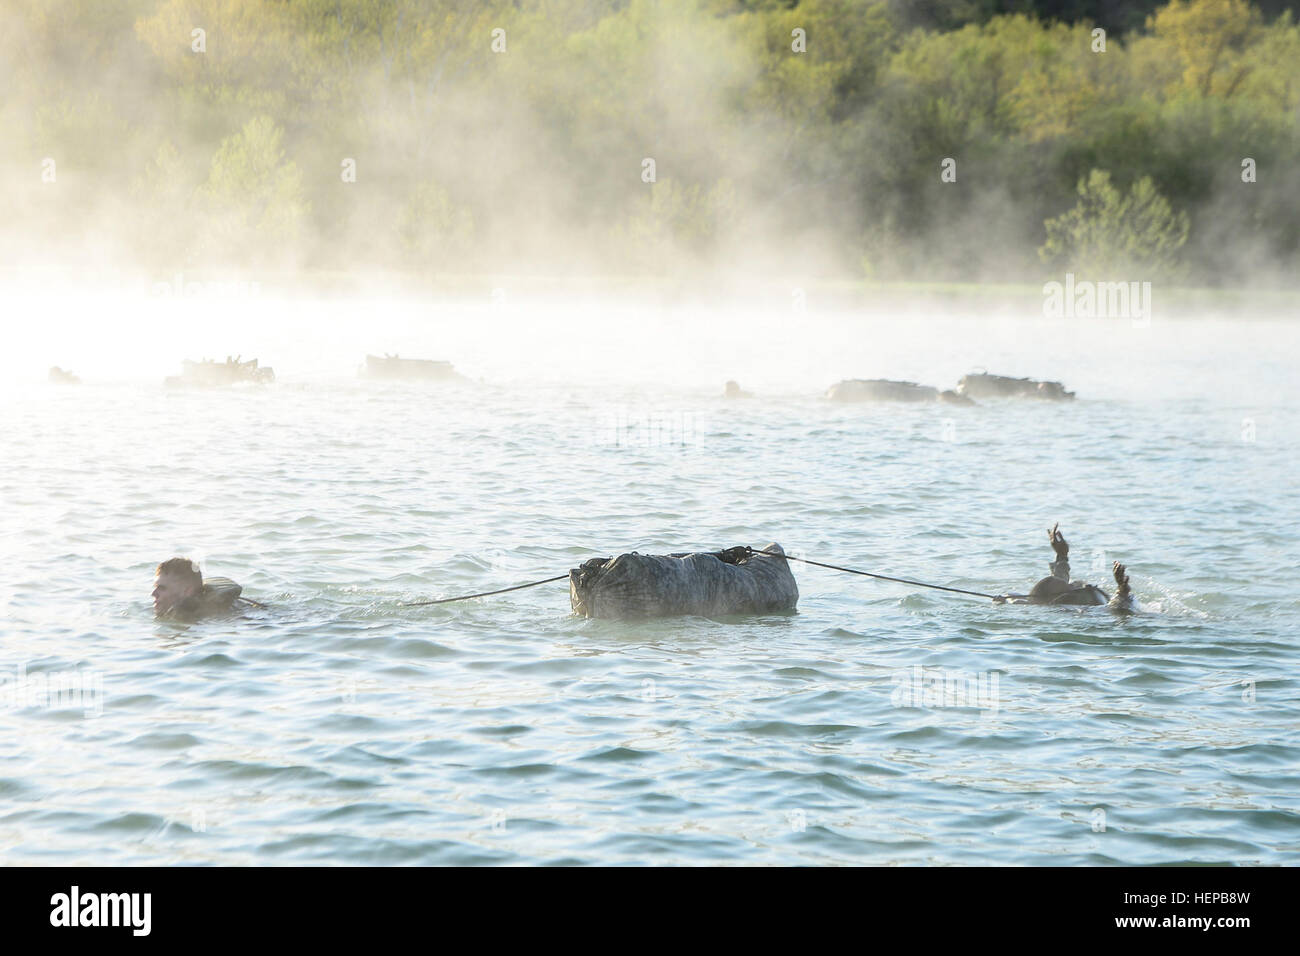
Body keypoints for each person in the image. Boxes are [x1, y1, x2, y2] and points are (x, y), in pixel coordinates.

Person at [996, 525, 1134, 610]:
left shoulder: (1060, 593)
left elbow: (1060, 579)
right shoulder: (1075, 608)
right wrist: (1122, 589)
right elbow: (1117, 611)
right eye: (1069, 588)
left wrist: (1062, 555)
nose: (1074, 585)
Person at [152, 557, 255, 620]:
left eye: (162, 588)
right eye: (155, 587)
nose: (153, 593)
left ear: (187, 591)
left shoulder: (214, 615)